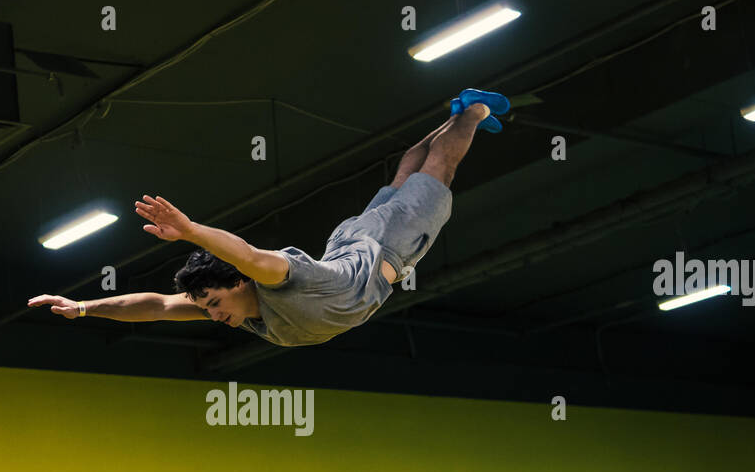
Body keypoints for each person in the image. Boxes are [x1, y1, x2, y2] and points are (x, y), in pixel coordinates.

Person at [28, 89, 509, 346]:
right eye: (209, 307)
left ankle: (473, 109)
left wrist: (192, 231)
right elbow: (154, 305)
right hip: (355, 245)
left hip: (388, 245)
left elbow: (246, 254)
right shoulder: (236, 307)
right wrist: (85, 307)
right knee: (413, 175)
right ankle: (457, 114)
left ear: (239, 283)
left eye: (215, 301)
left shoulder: (272, 276)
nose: (212, 314)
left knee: (437, 171)